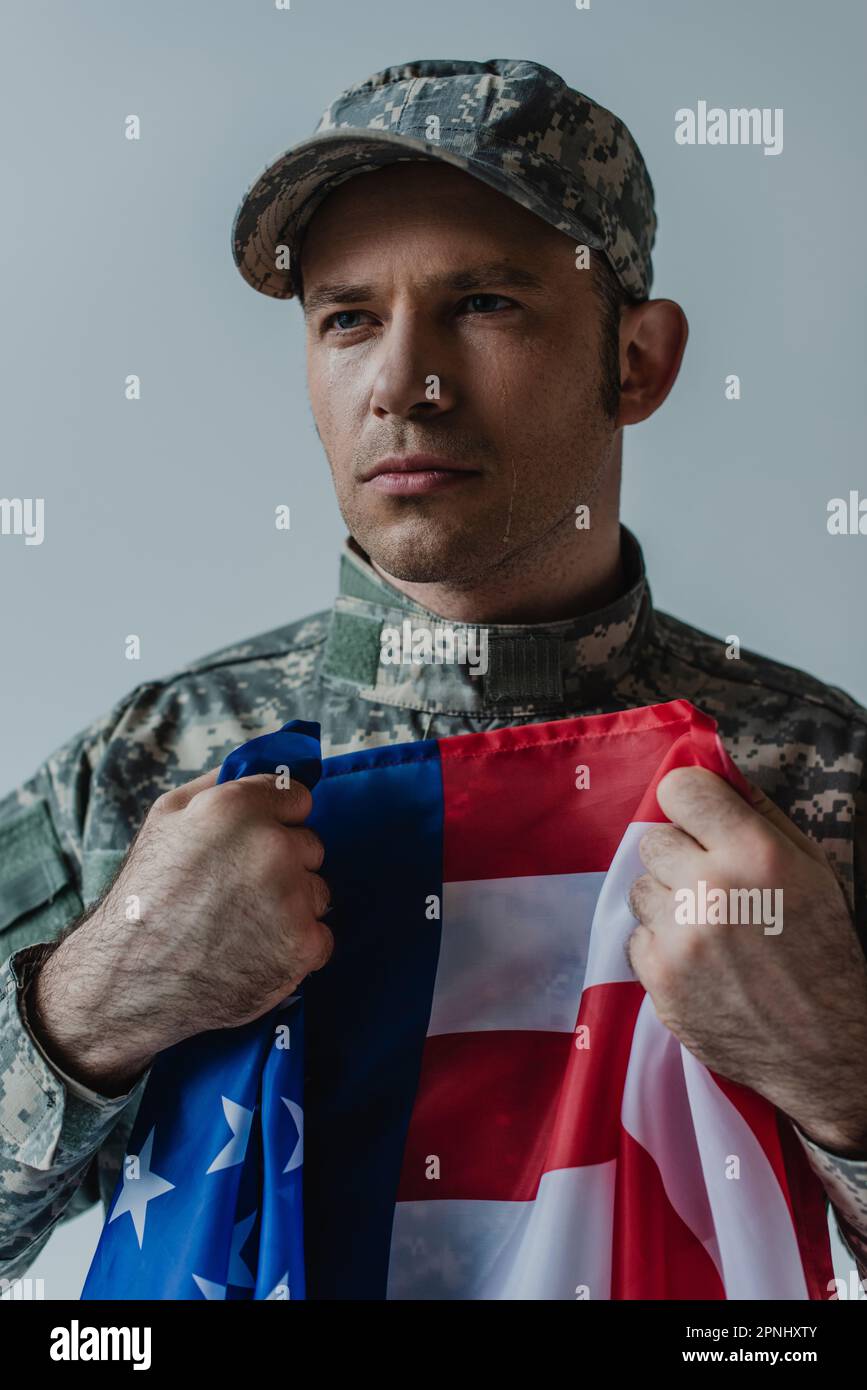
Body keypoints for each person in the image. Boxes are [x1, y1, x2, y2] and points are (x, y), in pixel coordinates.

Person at [1, 58, 865, 1296]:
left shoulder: (818, 779)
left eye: (487, 305)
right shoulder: (156, 764)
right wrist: (88, 1011)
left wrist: (842, 1069)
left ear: (639, 361)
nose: (404, 383)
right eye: (348, 316)